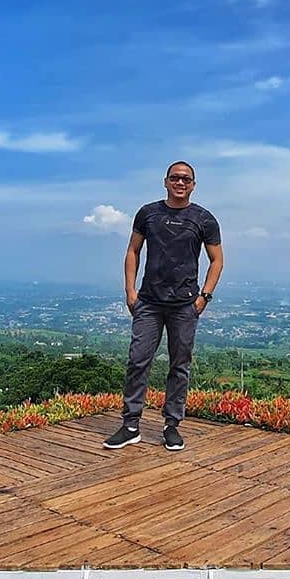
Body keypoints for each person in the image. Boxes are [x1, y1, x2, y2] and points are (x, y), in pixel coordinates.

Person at [104, 161, 223, 451]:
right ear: (165, 181)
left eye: (186, 179)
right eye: (175, 178)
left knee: (179, 366)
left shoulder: (204, 219)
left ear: (193, 184)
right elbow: (132, 251)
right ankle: (131, 425)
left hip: (184, 305)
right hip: (148, 302)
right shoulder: (148, 213)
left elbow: (217, 260)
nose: (180, 183)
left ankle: (172, 426)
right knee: (137, 361)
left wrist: (204, 297)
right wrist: (130, 291)